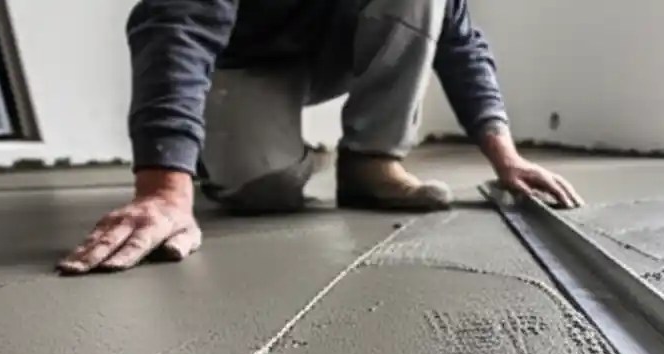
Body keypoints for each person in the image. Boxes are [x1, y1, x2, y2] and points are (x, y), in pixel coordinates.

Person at [58, 0, 584, 274]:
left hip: (333, 52)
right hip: (244, 61)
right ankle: (289, 157)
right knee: (262, 192)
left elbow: (461, 43)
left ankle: (371, 159)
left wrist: (506, 157)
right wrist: (164, 190)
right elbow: (178, 28)